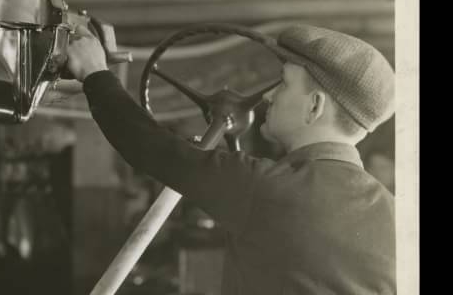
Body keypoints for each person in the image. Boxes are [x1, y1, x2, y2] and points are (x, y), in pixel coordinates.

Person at [65, 24, 396, 294]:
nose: (268, 95)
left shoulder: (269, 188)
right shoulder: (396, 214)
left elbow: (148, 147)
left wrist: (94, 72)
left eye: (283, 84)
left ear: (315, 106)